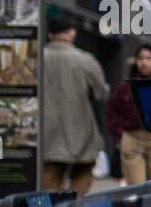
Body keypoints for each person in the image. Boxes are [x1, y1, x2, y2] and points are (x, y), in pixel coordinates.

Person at [41, 16, 108, 196]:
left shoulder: (35, 58)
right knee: (84, 170)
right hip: (80, 133)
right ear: (72, 34)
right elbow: (102, 92)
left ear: (49, 34)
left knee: (49, 179)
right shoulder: (84, 59)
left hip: (45, 133)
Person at [105, 42, 151, 185]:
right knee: (137, 187)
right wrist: (119, 135)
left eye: (149, 58)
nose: (143, 62)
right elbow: (111, 110)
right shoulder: (126, 87)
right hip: (131, 138)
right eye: (140, 58)